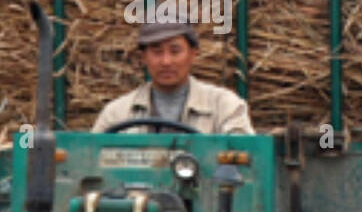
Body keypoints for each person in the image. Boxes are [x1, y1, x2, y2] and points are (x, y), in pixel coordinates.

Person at [91, 21, 253, 134]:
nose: (166, 61)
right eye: (157, 52)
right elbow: (90, 161)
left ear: (193, 53)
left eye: (175, 51)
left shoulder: (225, 107)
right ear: (143, 57)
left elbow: (245, 160)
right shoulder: (117, 113)